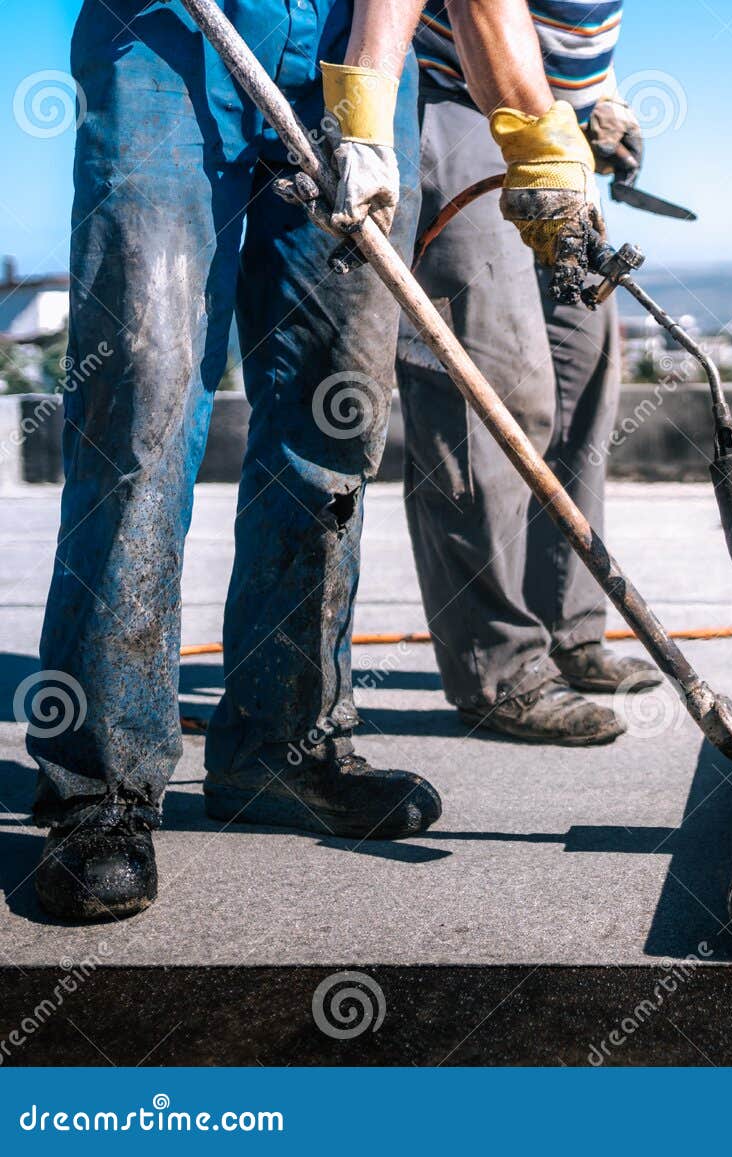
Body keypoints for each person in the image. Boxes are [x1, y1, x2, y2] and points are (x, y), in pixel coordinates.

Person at [31, 0, 591, 923]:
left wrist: (531, 142)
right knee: (145, 383)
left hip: (345, 45)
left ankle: (281, 748)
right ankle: (102, 784)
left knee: (335, 401)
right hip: (172, 38)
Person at [399, 0, 661, 748]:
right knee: (491, 388)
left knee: (583, 380)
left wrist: (595, 98)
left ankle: (568, 628)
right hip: (458, 102)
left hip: (553, 125)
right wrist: (539, 118)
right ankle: (498, 667)